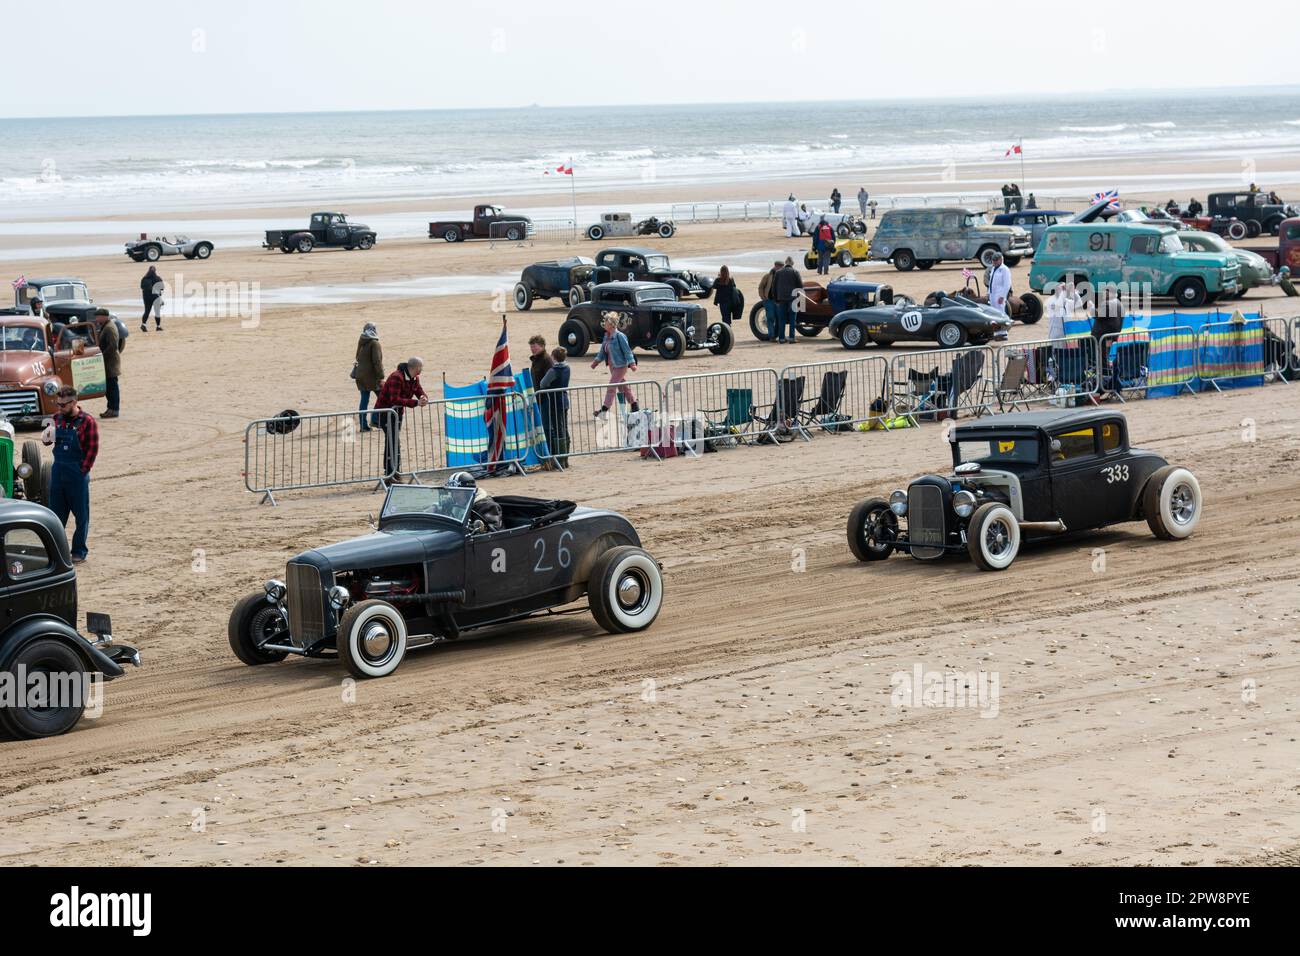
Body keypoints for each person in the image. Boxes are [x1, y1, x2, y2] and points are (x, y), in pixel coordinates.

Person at [43, 385, 98, 563]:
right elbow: (48, 442)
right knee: (55, 516)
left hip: (77, 474)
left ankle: (79, 551)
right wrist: (46, 436)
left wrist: (82, 470)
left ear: (74, 402)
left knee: (81, 516)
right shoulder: (56, 418)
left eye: (63, 405)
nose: (59, 408)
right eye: (57, 404)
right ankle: (57, 552)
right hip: (58, 471)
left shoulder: (87, 421)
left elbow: (92, 449)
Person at [374, 356, 428, 483]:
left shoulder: (414, 378)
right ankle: (390, 474)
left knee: (394, 442)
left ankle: (394, 472)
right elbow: (395, 399)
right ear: (416, 368)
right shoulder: (396, 377)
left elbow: (419, 391)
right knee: (392, 442)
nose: (421, 370)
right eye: (421, 368)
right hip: (385, 413)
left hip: (396, 413)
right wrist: (416, 403)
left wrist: (423, 397)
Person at [591, 314, 638, 418]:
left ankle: (604, 410)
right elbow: (602, 352)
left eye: (606, 322)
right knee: (624, 386)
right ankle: (634, 405)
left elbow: (627, 351)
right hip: (612, 366)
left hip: (621, 365)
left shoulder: (620, 336)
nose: (604, 324)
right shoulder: (606, 336)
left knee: (611, 387)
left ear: (611, 324)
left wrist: (632, 363)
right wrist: (596, 362)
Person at [537, 346, 570, 469]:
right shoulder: (567, 368)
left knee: (557, 428)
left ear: (554, 357)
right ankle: (565, 459)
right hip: (564, 400)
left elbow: (543, 383)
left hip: (554, 401)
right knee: (564, 428)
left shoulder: (554, 370)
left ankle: (559, 460)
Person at [354, 322, 384, 432]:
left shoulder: (361, 341)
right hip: (372, 376)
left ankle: (363, 425)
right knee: (383, 398)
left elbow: (357, 356)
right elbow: (377, 361)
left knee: (364, 400)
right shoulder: (374, 343)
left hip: (360, 375)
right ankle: (375, 420)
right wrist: (381, 376)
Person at [93, 308, 121, 419]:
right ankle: (111, 408)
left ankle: (114, 410)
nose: (96, 319)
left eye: (98, 317)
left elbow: (113, 346)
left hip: (110, 362)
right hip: (108, 362)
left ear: (104, 317)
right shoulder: (106, 326)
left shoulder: (109, 328)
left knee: (112, 386)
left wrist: (102, 357)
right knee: (109, 387)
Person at [772, 256, 803, 344]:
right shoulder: (795, 272)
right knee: (792, 319)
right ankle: (792, 338)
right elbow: (800, 286)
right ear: (792, 264)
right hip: (793, 299)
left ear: (785, 263)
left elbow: (774, 287)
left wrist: (776, 299)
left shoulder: (778, 272)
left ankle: (781, 338)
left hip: (781, 298)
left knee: (782, 319)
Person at [758, 260, 781, 340]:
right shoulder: (767, 276)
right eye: (779, 266)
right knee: (770, 317)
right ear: (775, 266)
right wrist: (763, 298)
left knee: (779, 319)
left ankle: (776, 335)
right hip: (769, 300)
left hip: (778, 301)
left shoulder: (781, 276)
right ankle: (771, 336)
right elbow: (761, 287)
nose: (780, 268)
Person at [140, 266, 164, 331]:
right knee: (157, 312)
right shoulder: (158, 278)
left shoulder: (144, 278)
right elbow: (162, 288)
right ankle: (158, 326)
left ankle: (143, 324)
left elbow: (141, 287)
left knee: (147, 311)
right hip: (155, 297)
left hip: (146, 297)